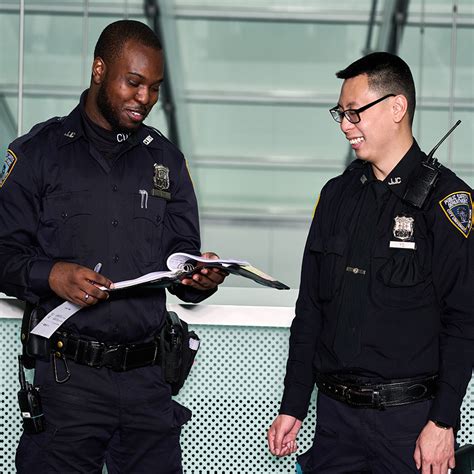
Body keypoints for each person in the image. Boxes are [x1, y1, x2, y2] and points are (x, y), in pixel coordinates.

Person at [0, 20, 226, 473]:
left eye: (155, 88)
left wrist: (200, 278)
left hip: (148, 383)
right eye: (134, 82)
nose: (145, 98)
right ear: (99, 70)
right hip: (68, 382)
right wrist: (53, 275)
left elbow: (182, 261)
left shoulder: (166, 160)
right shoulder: (38, 154)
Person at [267, 52, 473, 473]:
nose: (345, 125)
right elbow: (310, 310)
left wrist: (442, 421)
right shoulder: (336, 195)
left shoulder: (447, 202)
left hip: (409, 426)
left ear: (397, 107)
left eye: (355, 113)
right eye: (340, 114)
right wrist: (294, 404)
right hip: (335, 424)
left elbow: (465, 320)